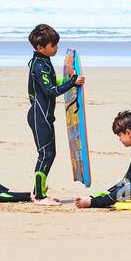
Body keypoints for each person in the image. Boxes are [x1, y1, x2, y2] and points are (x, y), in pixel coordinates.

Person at [27, 23, 84, 200]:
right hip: (39, 116)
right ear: (40, 47)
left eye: (56, 44)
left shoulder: (42, 60)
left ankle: (40, 190)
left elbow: (51, 82)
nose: (56, 48)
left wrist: (66, 80)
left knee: (47, 154)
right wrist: (72, 83)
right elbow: (51, 91)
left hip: (43, 115)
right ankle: (40, 196)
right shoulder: (39, 65)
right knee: (46, 154)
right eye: (53, 45)